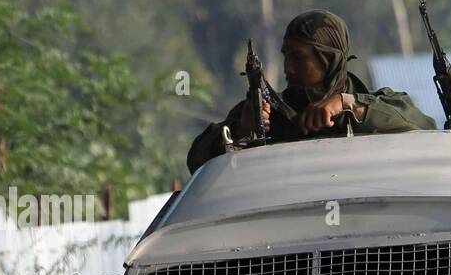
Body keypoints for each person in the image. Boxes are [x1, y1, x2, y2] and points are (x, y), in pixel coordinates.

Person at [187, 9, 436, 174]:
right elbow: (196, 162)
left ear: (329, 59)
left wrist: (346, 104)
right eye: (286, 56)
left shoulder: (373, 106)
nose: (288, 68)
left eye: (298, 57)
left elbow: (425, 128)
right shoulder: (264, 113)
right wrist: (240, 131)